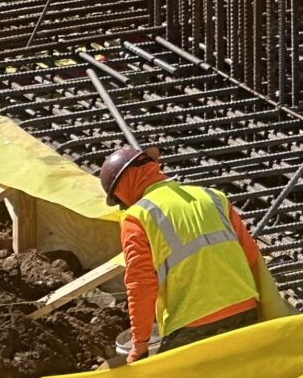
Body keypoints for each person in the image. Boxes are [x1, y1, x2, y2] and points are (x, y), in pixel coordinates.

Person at [99, 145, 265, 363]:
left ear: (122, 188)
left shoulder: (136, 218)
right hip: (245, 310)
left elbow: (141, 286)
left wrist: (140, 345)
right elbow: (252, 256)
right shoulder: (213, 197)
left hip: (193, 324)